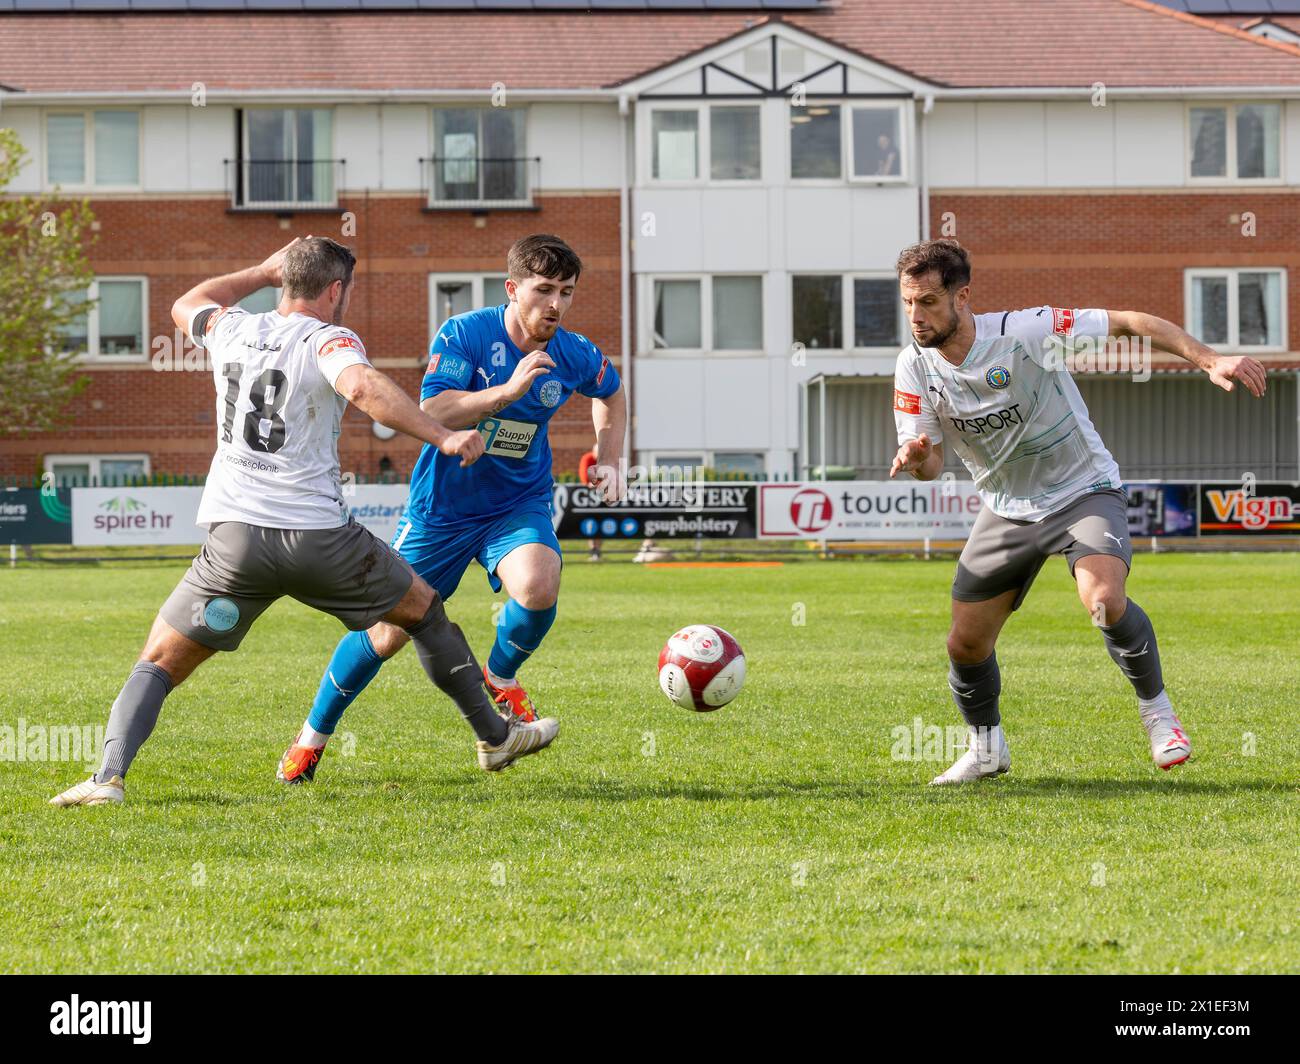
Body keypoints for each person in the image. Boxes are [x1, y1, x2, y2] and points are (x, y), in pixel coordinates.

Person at [51, 237, 557, 807]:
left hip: (234, 544)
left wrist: (264, 269)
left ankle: (106, 778)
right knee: (423, 610)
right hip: (319, 540)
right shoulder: (329, 338)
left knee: (159, 662)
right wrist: (442, 435)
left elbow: (187, 301)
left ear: (284, 281)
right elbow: (362, 387)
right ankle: (495, 737)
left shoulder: (232, 329)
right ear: (337, 290)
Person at [888, 239, 1267, 785]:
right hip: (1006, 510)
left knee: (1104, 601)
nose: (915, 316)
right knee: (965, 643)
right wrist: (920, 457)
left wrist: (1210, 359)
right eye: (908, 302)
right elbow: (928, 464)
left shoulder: (1027, 334)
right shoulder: (913, 367)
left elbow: (1132, 322)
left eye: (926, 302)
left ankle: (1159, 716)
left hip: (1081, 490)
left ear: (962, 295)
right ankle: (987, 749)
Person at [278, 234, 626, 782]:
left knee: (538, 585)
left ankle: (501, 676)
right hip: (441, 510)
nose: (555, 304)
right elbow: (435, 406)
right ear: (513, 289)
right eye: (542, 290)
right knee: (386, 633)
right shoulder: (465, 333)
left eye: (566, 291)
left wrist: (610, 458)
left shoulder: (573, 352)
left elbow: (612, 392)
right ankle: (311, 738)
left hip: (517, 502)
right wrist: (505, 393)